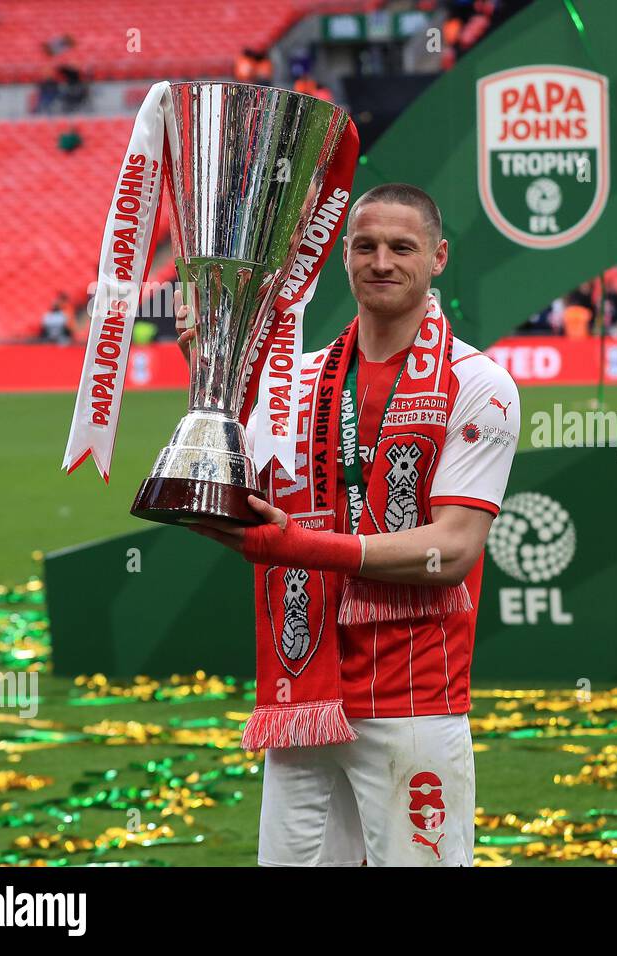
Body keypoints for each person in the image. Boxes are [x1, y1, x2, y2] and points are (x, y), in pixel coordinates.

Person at [179, 183, 520, 866]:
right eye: (365, 246)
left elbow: (452, 551)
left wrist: (298, 545)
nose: (382, 261)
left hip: (412, 696)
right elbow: (240, 490)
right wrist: (210, 382)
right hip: (304, 696)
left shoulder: (479, 385)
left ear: (439, 257)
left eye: (402, 246)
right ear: (344, 256)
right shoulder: (299, 383)